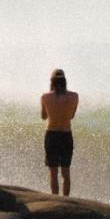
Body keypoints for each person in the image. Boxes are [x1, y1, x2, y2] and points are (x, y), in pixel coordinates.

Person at [41, 68, 79, 196]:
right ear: (65, 81)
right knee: (65, 173)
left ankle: (55, 198)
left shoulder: (45, 97)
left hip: (51, 135)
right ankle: (66, 200)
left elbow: (43, 116)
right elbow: (72, 116)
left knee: (53, 172)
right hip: (66, 135)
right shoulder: (74, 97)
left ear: (51, 82)